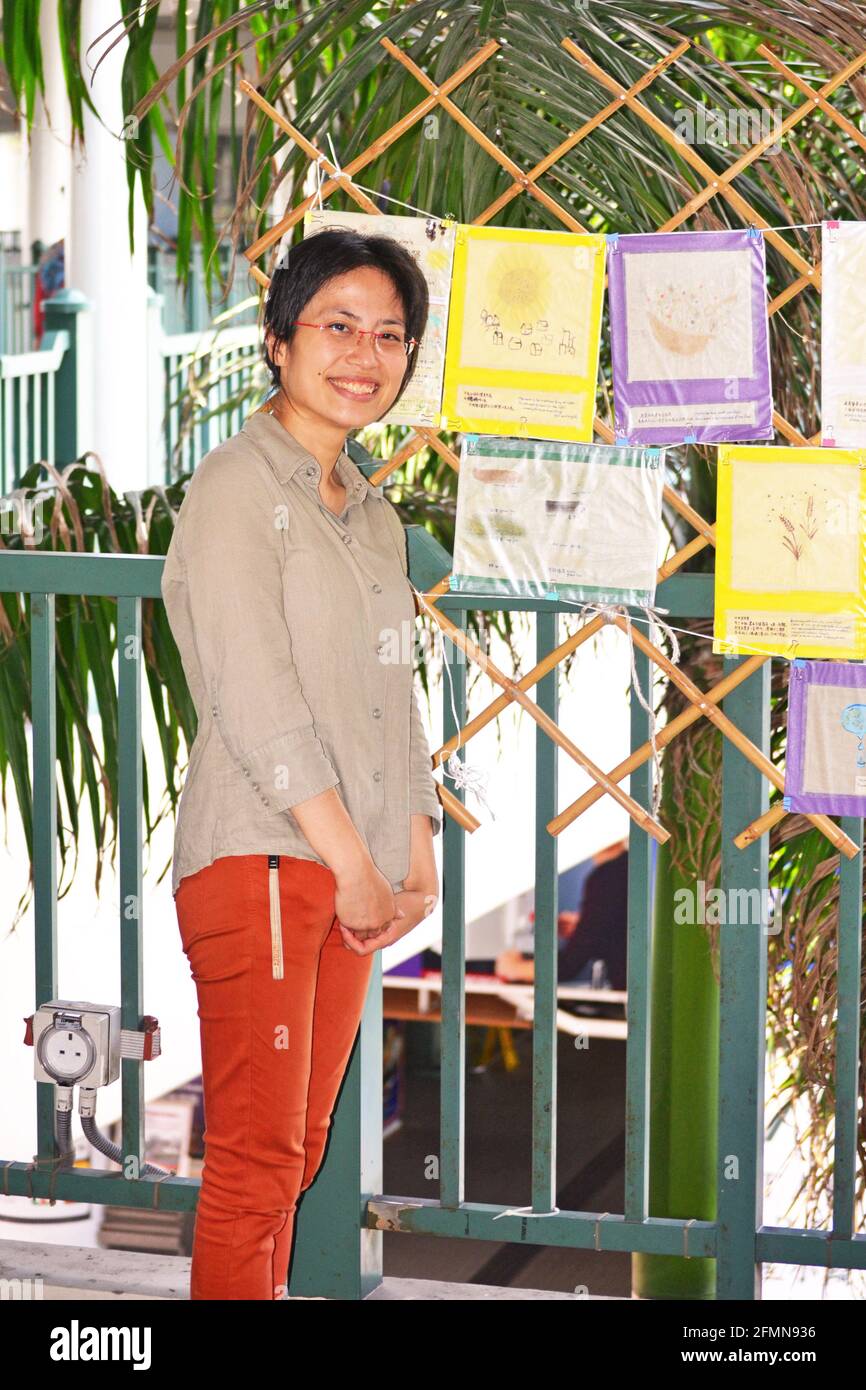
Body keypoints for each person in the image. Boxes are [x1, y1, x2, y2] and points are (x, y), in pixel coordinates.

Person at [160, 227, 443, 1300]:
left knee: (300, 1144)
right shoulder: (236, 489)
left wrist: (413, 855)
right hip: (267, 864)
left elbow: (392, 698)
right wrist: (354, 867)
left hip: (349, 873)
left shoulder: (368, 516)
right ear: (279, 341)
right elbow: (258, 700)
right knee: (257, 1157)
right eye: (335, 326)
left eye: (387, 335)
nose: (362, 354)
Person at [496, 839, 629, 990]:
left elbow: (569, 965)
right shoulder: (627, 868)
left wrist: (514, 968)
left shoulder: (607, 875)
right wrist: (584, 927)